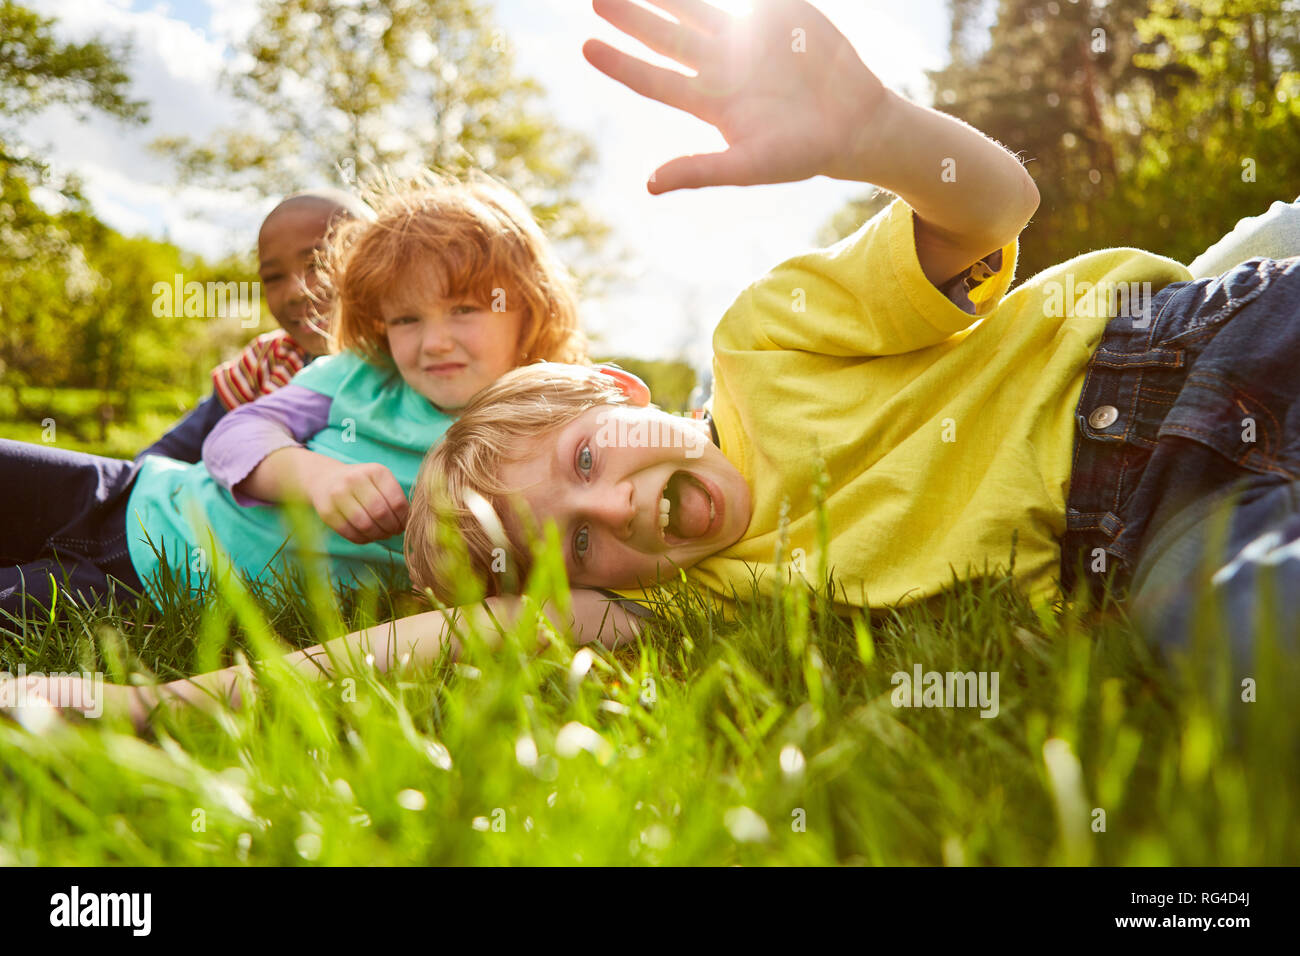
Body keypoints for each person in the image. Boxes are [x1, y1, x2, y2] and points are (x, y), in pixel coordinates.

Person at [10, 0, 1298, 729]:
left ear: (622, 396)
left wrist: (880, 133)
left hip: (1202, 342)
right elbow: (450, 635)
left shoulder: (766, 343)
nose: (615, 512)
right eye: (576, 546)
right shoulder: (708, 603)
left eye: (586, 462)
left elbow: (995, 202)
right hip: (1163, 524)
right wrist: (156, 704)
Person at [0, 171, 587, 619]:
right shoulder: (360, 372)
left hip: (157, 576)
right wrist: (316, 477)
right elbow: (232, 436)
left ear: (528, 306)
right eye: (406, 318)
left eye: (463, 309)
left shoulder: (534, 435)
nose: (434, 342)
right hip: (129, 493)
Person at [137, 188, 374, 463]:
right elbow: (164, 456)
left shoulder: (406, 366)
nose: (296, 292)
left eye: (318, 263)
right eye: (273, 277)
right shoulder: (266, 362)